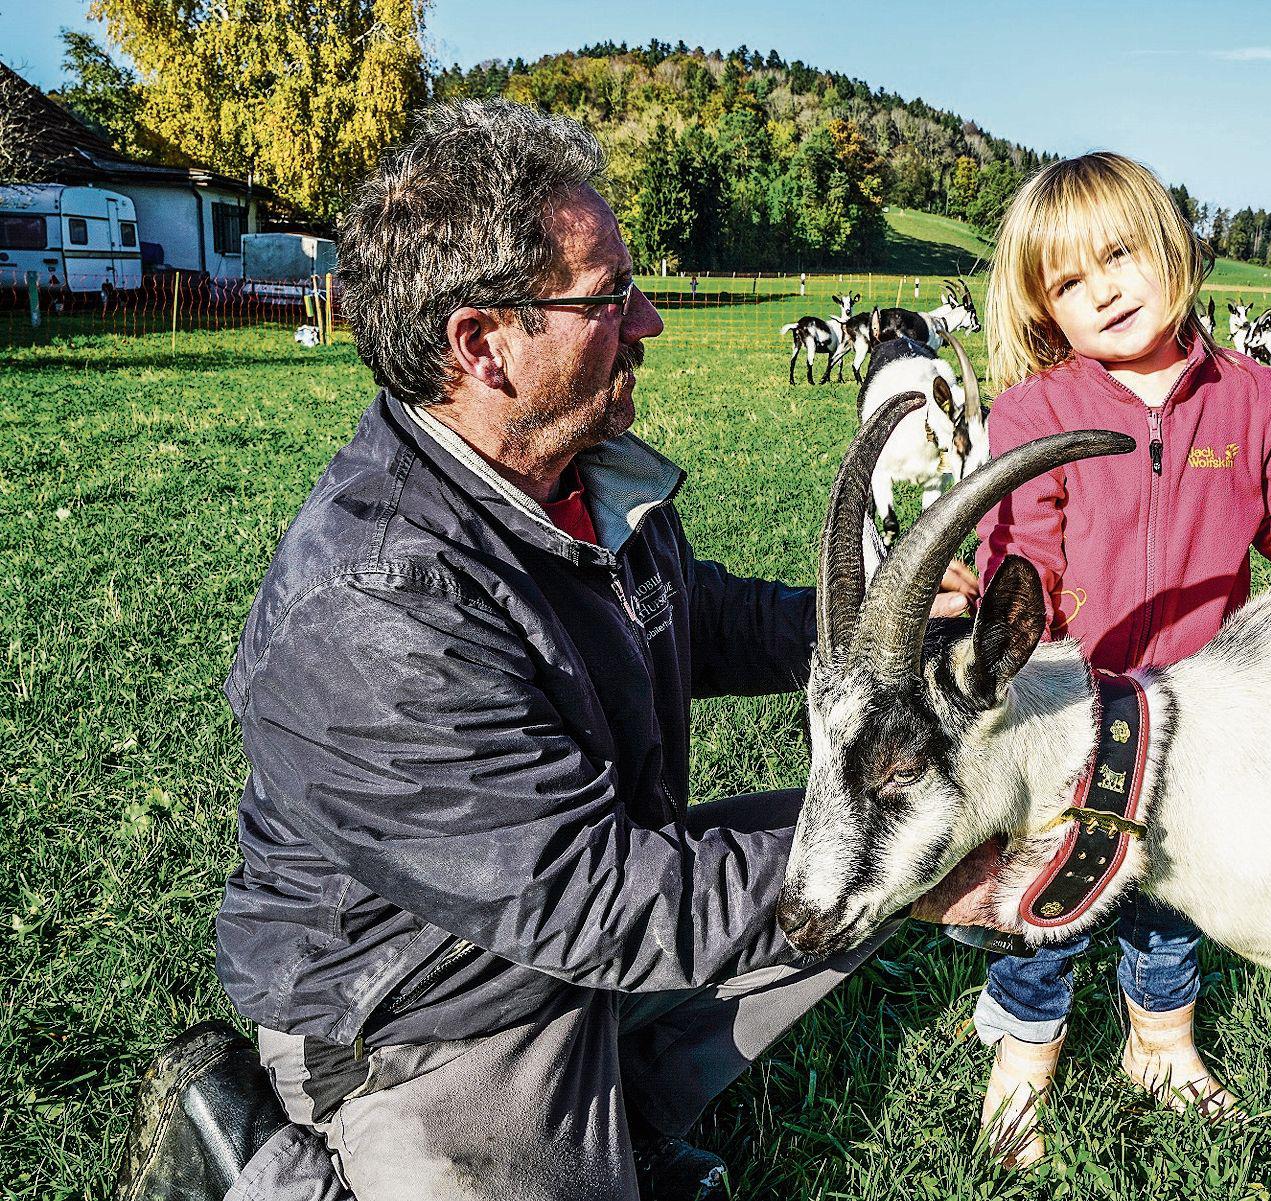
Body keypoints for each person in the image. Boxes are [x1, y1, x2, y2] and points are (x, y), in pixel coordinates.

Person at [117, 99, 976, 1201]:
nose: (650, 319)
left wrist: (882, 621)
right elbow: (597, 901)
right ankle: (262, 1158)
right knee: (862, 851)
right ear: (482, 344)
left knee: (875, 842)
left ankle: (617, 1121)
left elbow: (693, 616)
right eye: (610, 294)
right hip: (424, 1005)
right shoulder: (375, 607)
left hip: (568, 917)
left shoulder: (581, 474)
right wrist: (878, 855)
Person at [968, 152, 1271, 1167]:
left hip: (1202, 712)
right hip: (1073, 713)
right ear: (1046, 309)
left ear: (1169, 247)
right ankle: (1023, 1060)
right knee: (1053, 897)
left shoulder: (1253, 397)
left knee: (1176, 894)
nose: (1105, 292)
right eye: (1071, 283)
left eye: (1120, 256)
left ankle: (1161, 1045)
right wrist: (1003, 613)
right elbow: (1026, 550)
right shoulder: (1036, 413)